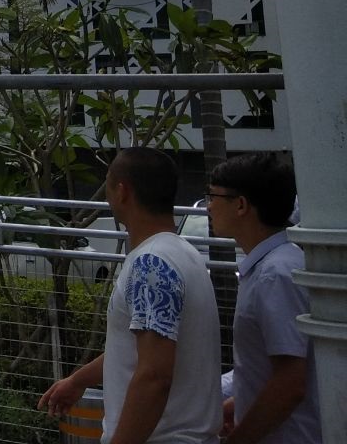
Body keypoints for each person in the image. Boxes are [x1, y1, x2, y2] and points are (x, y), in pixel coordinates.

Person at [39, 147, 222, 444]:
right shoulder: (182, 253)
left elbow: (154, 376)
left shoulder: (151, 265)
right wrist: (78, 380)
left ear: (122, 191)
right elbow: (141, 351)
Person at [208, 153, 320, 444]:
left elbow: (290, 383)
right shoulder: (274, 266)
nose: (208, 206)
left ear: (241, 205)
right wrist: (237, 406)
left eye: (213, 196)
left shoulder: (275, 275)